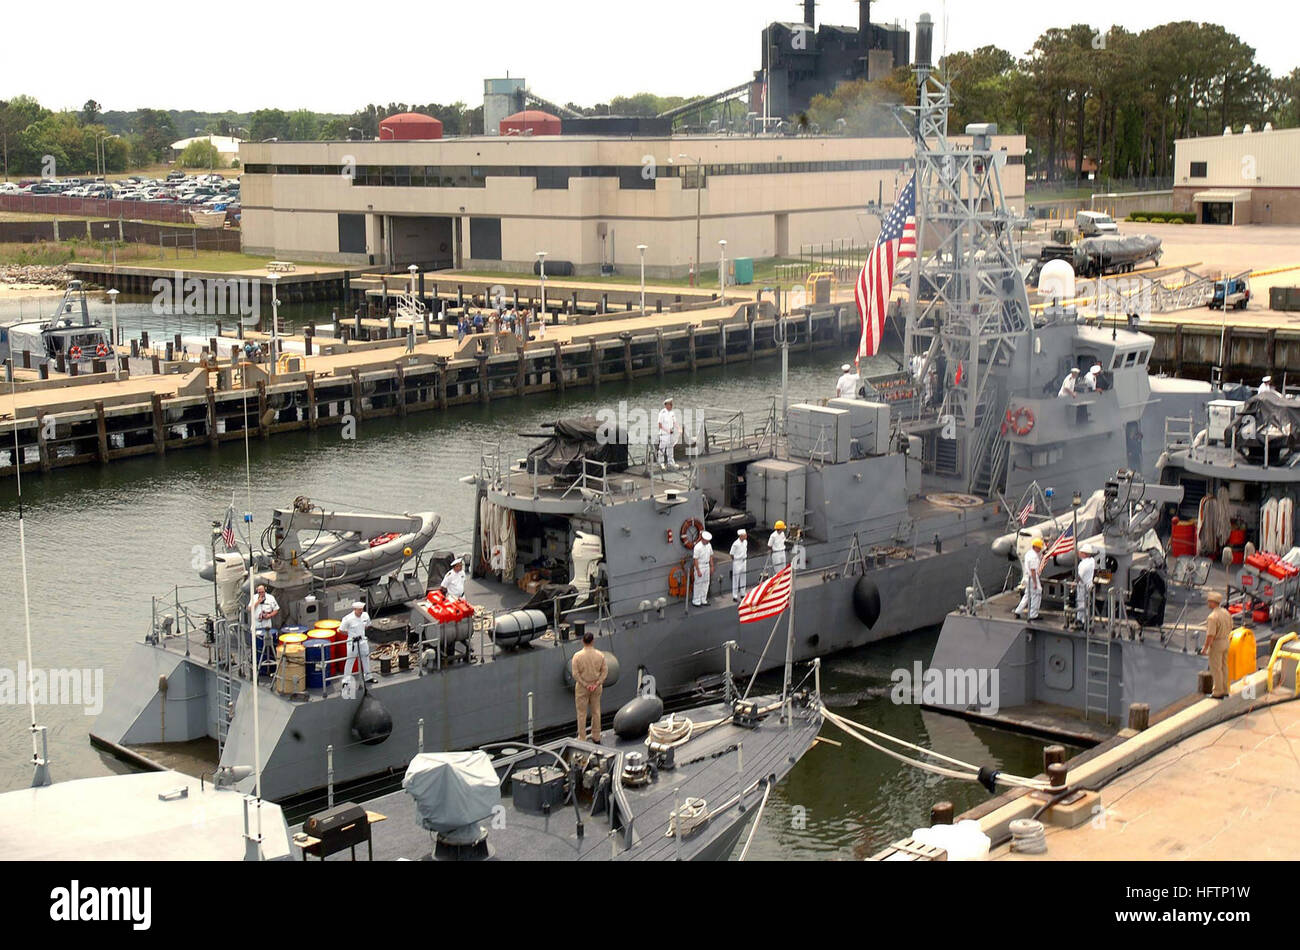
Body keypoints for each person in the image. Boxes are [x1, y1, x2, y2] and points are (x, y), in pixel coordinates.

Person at [571, 630, 608, 742]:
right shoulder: (600, 655)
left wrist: (586, 685)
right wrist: (597, 683)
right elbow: (605, 671)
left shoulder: (577, 656)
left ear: (583, 641)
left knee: (581, 714)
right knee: (596, 712)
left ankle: (582, 738)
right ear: (593, 641)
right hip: (596, 687)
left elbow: (575, 674)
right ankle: (596, 736)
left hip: (582, 687)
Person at [1202, 590, 1232, 699]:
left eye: (1209, 601)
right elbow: (1231, 626)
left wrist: (1205, 648)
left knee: (1216, 668)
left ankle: (1217, 692)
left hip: (1217, 644)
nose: (1208, 603)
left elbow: (1210, 635)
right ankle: (1225, 690)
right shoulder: (1226, 613)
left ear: (1213, 602)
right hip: (1226, 641)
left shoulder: (1212, 617)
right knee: (1224, 667)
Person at [340, 600, 375, 687]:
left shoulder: (365, 615)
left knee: (365, 657)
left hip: (362, 640)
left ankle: (368, 676)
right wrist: (351, 634)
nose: (361, 611)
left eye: (361, 609)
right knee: (350, 660)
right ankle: (346, 680)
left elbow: (367, 625)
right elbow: (341, 630)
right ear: (355, 609)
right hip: (352, 642)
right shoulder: (348, 618)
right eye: (359, 610)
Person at [1014, 537, 1043, 621]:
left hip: (1026, 577)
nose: (1040, 548)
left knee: (1027, 595)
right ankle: (1033, 615)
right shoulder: (1034, 556)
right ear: (1036, 547)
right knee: (1037, 594)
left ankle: (1018, 611)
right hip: (1032, 578)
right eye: (1039, 547)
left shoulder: (1029, 553)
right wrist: (1035, 583)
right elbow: (1033, 570)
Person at [1075, 544, 1097, 628]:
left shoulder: (1083, 564)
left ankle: (1081, 620)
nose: (1079, 553)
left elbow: (1079, 576)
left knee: (1081, 603)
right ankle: (1085, 618)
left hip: (1082, 586)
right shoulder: (1091, 561)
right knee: (1086, 602)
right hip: (1089, 584)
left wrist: (1074, 584)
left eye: (1081, 552)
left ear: (1085, 554)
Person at [692, 530, 714, 606]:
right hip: (700, 566)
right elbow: (695, 560)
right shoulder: (697, 547)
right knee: (698, 583)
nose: (707, 542)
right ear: (703, 539)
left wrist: (711, 566)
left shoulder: (709, 545)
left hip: (707, 565)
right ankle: (696, 600)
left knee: (706, 582)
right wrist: (698, 570)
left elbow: (711, 556)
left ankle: (703, 599)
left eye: (708, 541)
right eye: (706, 540)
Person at [656, 398, 678, 468]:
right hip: (664, 434)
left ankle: (670, 462)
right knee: (662, 448)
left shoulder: (672, 413)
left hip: (671, 433)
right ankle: (661, 463)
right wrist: (667, 431)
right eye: (670, 404)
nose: (671, 406)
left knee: (670, 448)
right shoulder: (662, 413)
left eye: (672, 404)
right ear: (666, 405)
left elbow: (674, 422)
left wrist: (679, 429)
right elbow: (660, 425)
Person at [729, 529, 749, 601]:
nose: (746, 536)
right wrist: (736, 560)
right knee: (736, 578)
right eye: (745, 535)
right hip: (737, 562)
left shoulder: (745, 542)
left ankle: (743, 593)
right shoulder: (735, 544)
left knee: (743, 577)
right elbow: (731, 554)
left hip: (744, 561)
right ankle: (735, 595)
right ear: (741, 536)